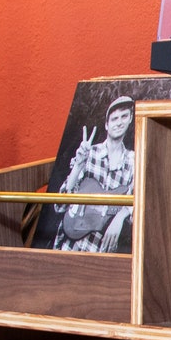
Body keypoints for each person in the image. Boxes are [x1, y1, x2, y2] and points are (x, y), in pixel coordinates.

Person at [52, 95, 135, 252]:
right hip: (70, 245)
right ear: (106, 124)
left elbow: (139, 204)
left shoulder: (134, 161)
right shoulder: (89, 153)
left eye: (124, 116)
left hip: (101, 250)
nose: (119, 122)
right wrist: (77, 166)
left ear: (130, 118)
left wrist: (121, 215)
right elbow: (59, 206)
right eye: (114, 118)